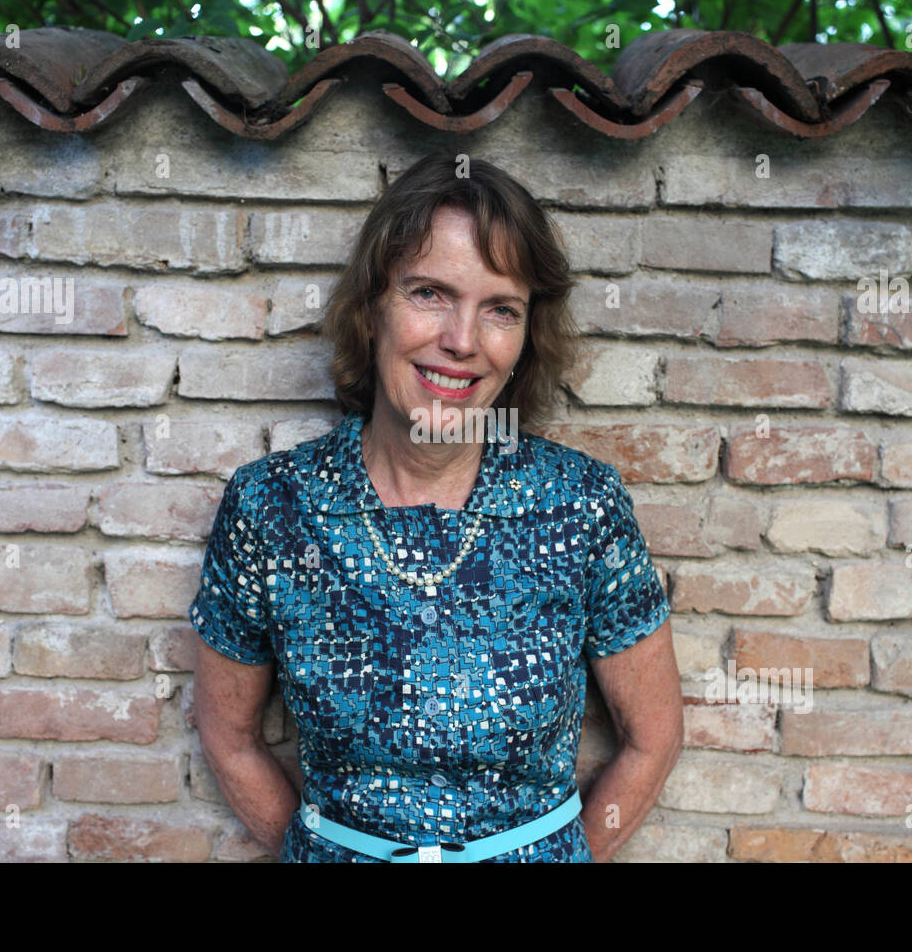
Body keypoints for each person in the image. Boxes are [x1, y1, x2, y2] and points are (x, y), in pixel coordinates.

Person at [189, 151, 684, 862]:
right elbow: (228, 737)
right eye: (429, 294)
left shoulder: (581, 506)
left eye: (500, 310)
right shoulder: (273, 507)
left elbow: (653, 739)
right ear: (372, 307)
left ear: (525, 338)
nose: (461, 340)